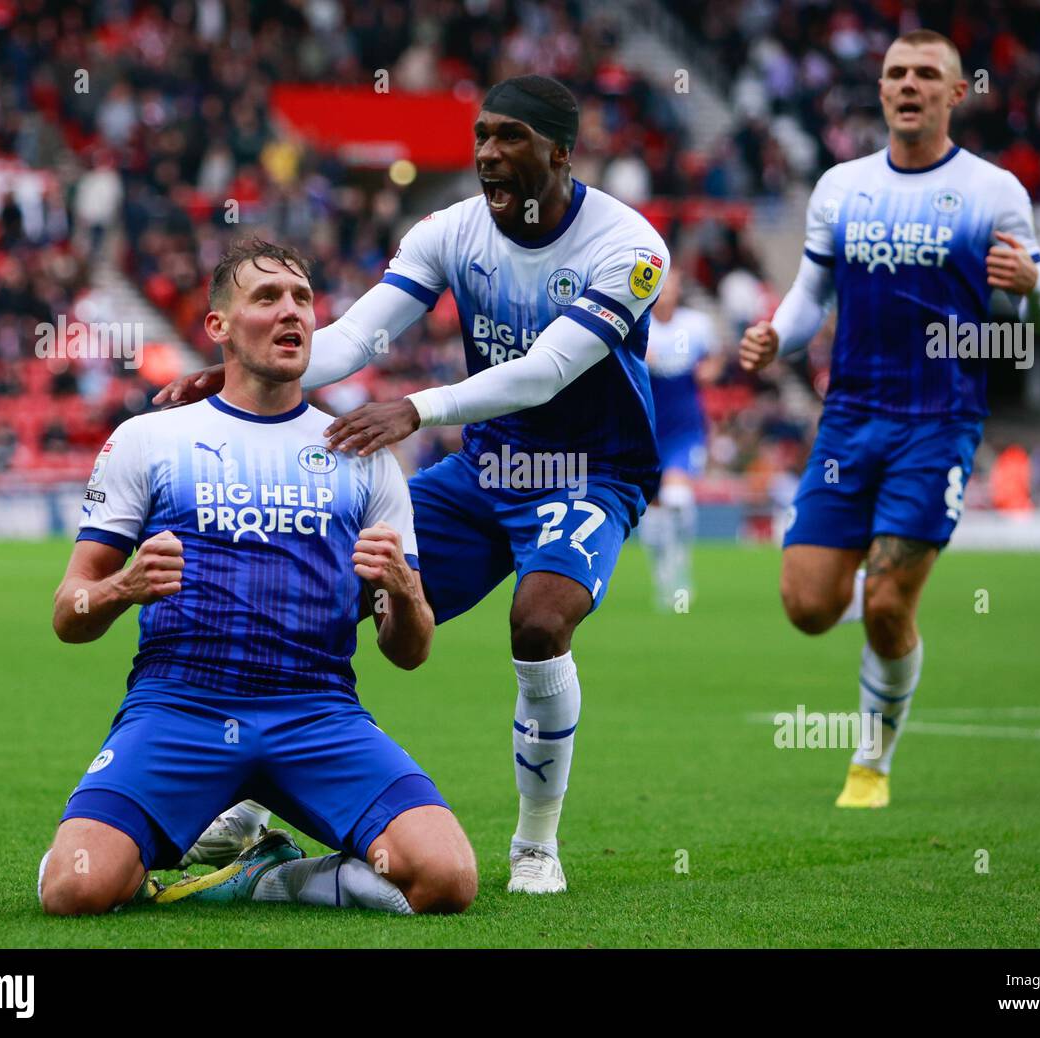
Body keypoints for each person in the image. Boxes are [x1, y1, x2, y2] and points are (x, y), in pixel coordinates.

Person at [155, 75, 670, 894]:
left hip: (588, 475)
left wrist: (417, 409)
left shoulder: (631, 248)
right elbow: (356, 336)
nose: (487, 155)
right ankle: (250, 796)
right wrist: (234, 369)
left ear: (561, 153)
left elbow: (543, 373)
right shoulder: (450, 231)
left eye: (509, 138)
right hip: (483, 471)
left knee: (539, 623)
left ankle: (536, 843)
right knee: (326, 589)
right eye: (481, 137)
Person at [38, 239, 476, 916]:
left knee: (447, 879)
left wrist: (405, 589)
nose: (290, 312)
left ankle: (270, 877)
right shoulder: (149, 440)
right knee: (75, 889)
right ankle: (151, 840)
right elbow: (70, 613)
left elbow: (409, 651)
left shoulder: (363, 454)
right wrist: (125, 587)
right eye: (266, 297)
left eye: (302, 297)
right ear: (218, 326)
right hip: (182, 707)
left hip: (317, 712)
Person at [738, 30, 1040, 808]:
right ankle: (877, 574)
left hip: (939, 418)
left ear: (957, 93)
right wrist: (773, 336)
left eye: (927, 74)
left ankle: (871, 763)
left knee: (885, 604)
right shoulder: (842, 186)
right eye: (896, 74)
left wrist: (1032, 284)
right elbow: (811, 295)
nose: (909, 85)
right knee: (809, 607)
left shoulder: (994, 192)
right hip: (849, 416)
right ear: (881, 91)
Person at [637, 269, 720, 610]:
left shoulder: (696, 325)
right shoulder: (638, 325)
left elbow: (714, 360)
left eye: (672, 286)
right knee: (653, 509)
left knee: (678, 497)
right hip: (646, 427)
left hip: (685, 428)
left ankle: (681, 564)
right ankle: (662, 575)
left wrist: (709, 371)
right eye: (661, 286)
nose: (666, 292)